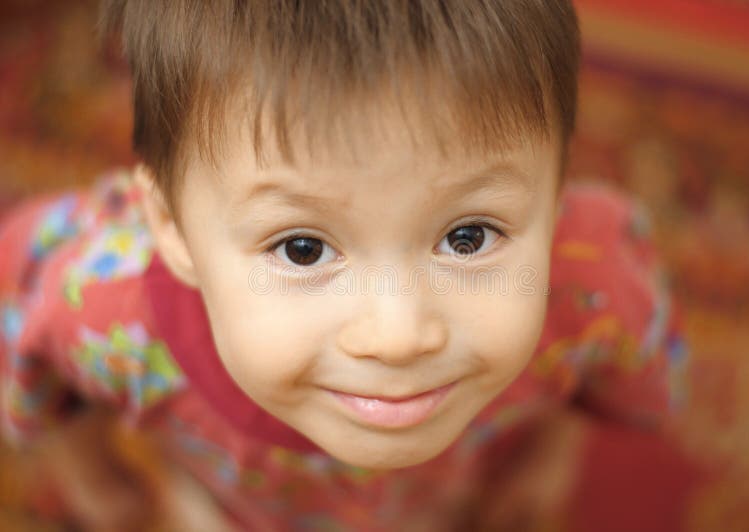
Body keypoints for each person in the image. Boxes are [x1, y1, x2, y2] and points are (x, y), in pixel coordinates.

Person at [0, 1, 687, 529]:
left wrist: (552, 453)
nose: (398, 336)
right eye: (302, 248)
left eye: (469, 237)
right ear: (172, 229)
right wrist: (94, 480)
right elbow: (35, 368)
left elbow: (614, 376)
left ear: (557, 197)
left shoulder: (596, 285)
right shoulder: (104, 311)